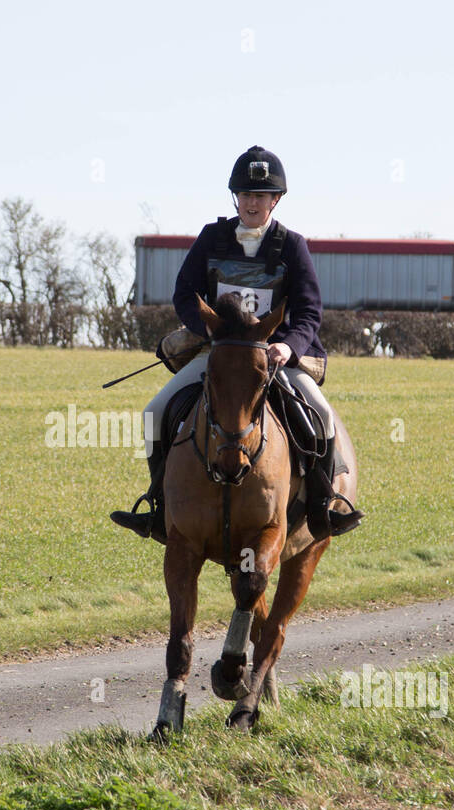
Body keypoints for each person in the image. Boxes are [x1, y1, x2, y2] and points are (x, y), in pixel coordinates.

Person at [110, 145, 361, 542]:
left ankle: (322, 508)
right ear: (235, 198)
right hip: (218, 355)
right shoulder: (212, 238)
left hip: (273, 358)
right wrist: (207, 329)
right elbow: (183, 293)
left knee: (322, 415)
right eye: (245, 194)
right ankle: (158, 508)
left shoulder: (292, 246)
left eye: (260, 195)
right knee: (154, 412)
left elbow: (310, 311)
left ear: (275, 200)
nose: (252, 202)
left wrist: (289, 347)